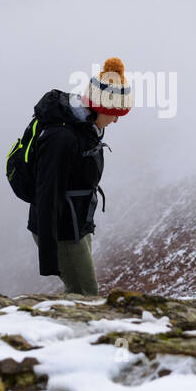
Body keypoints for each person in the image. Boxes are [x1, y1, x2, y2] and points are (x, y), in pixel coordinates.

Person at [28, 57, 132, 296]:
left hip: (77, 225)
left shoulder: (88, 126)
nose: (116, 119)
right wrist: (49, 255)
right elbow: (46, 193)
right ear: (98, 107)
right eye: (114, 113)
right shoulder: (62, 137)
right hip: (61, 230)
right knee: (85, 294)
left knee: (80, 292)